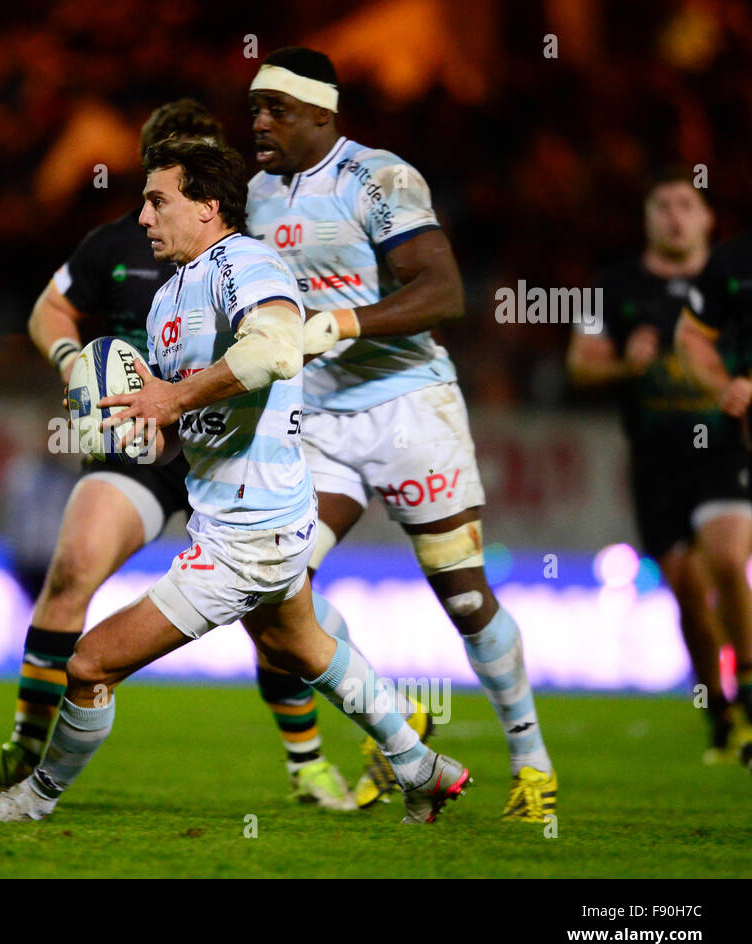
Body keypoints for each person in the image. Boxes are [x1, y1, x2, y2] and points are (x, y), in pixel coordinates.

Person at [0, 140, 471, 825]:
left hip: (247, 535)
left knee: (89, 663)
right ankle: (424, 768)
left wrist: (169, 401)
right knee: (301, 645)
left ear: (209, 206)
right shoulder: (169, 300)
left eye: (158, 200)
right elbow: (187, 415)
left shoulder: (245, 263)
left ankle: (31, 798)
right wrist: (139, 425)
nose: (143, 216)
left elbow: (277, 348)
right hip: (253, 518)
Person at [245, 47, 555, 821]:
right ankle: (404, 723)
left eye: (275, 108)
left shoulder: (378, 179)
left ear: (323, 113)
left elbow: (444, 290)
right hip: (316, 420)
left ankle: (530, 760)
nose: (258, 121)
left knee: (463, 595)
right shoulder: (252, 194)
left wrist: (345, 320)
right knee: (275, 591)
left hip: (409, 406)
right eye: (253, 106)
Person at [570, 173, 752, 762]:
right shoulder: (614, 285)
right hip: (655, 460)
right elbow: (581, 367)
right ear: (647, 218)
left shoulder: (730, 277)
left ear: (707, 219)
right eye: (662, 206)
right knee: (687, 590)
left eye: (686, 205)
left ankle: (747, 693)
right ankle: (718, 710)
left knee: (727, 560)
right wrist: (626, 365)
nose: (674, 216)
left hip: (725, 449)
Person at [674, 229, 752, 762]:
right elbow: (691, 336)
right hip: (734, 444)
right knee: (721, 559)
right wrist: (724, 385)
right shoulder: (733, 260)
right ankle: (744, 694)